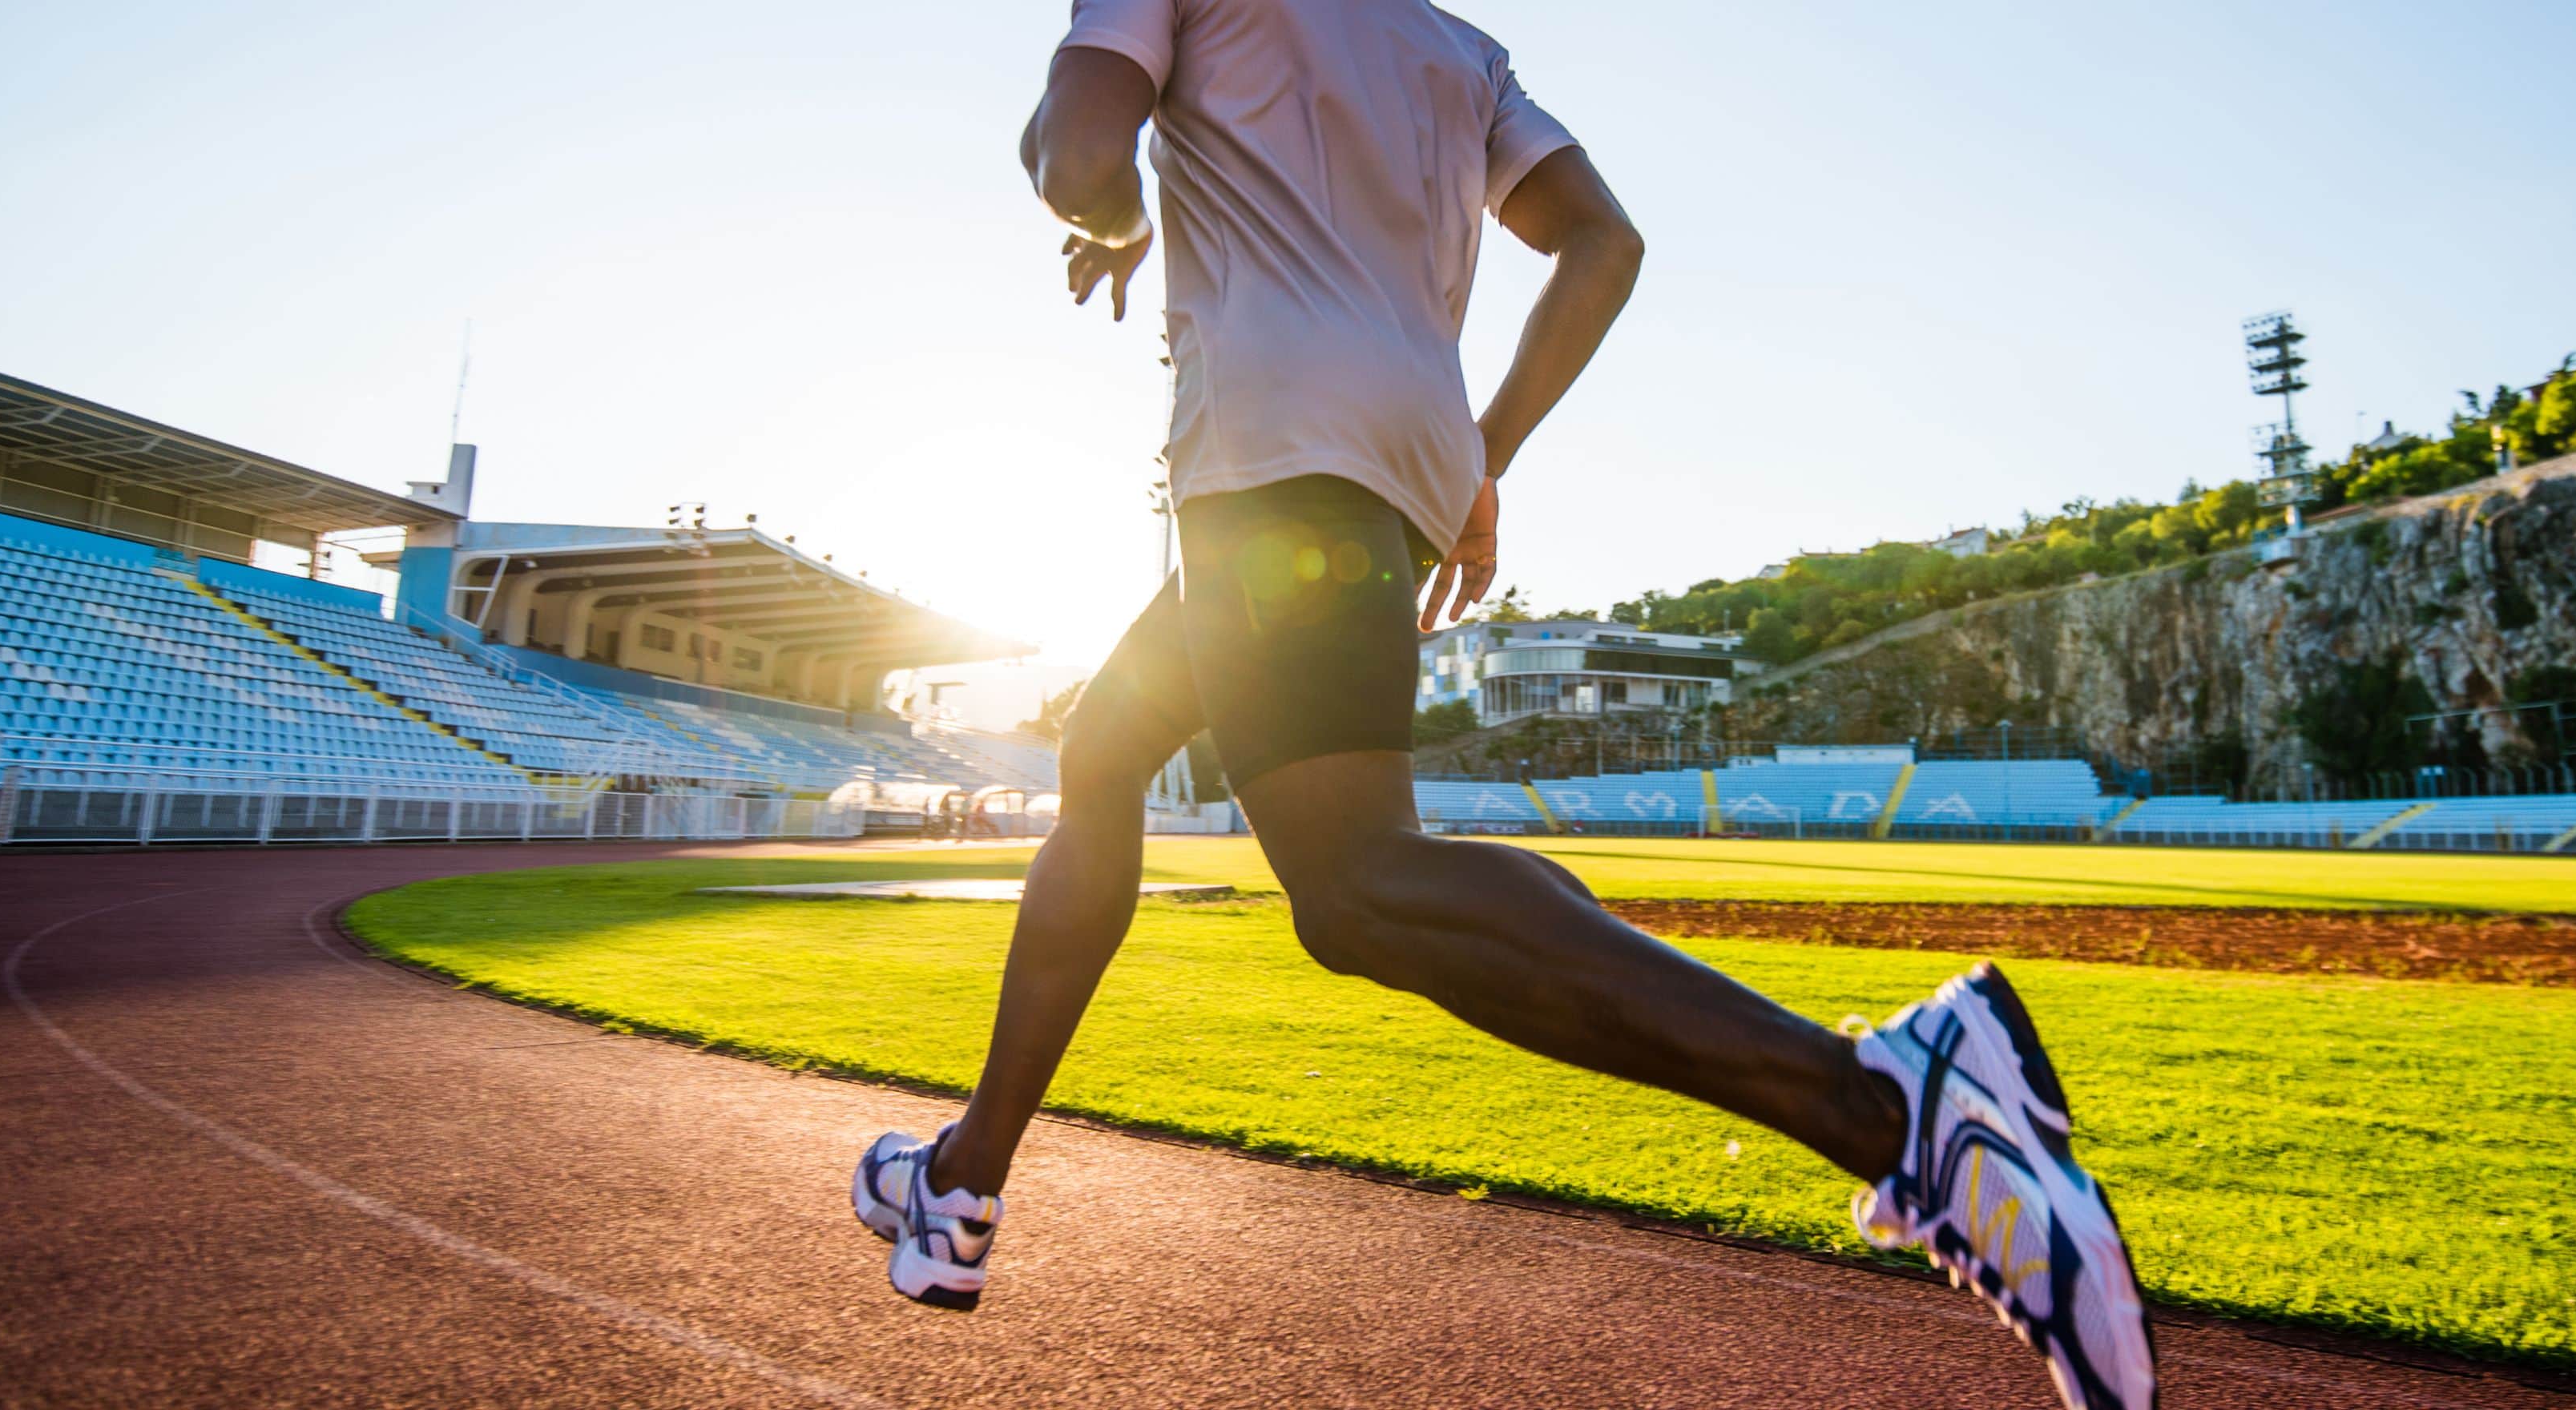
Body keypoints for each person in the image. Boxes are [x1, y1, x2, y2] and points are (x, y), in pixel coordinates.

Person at [851, 5, 2155, 1406]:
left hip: (1272, 451)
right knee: (1101, 753)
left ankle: (1899, 1108)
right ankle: (963, 1183)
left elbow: (1077, 155)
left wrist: (1108, 214)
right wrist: (1486, 456)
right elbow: (1608, 244)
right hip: (1396, 458)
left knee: (1357, 891)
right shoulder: (1454, 49)